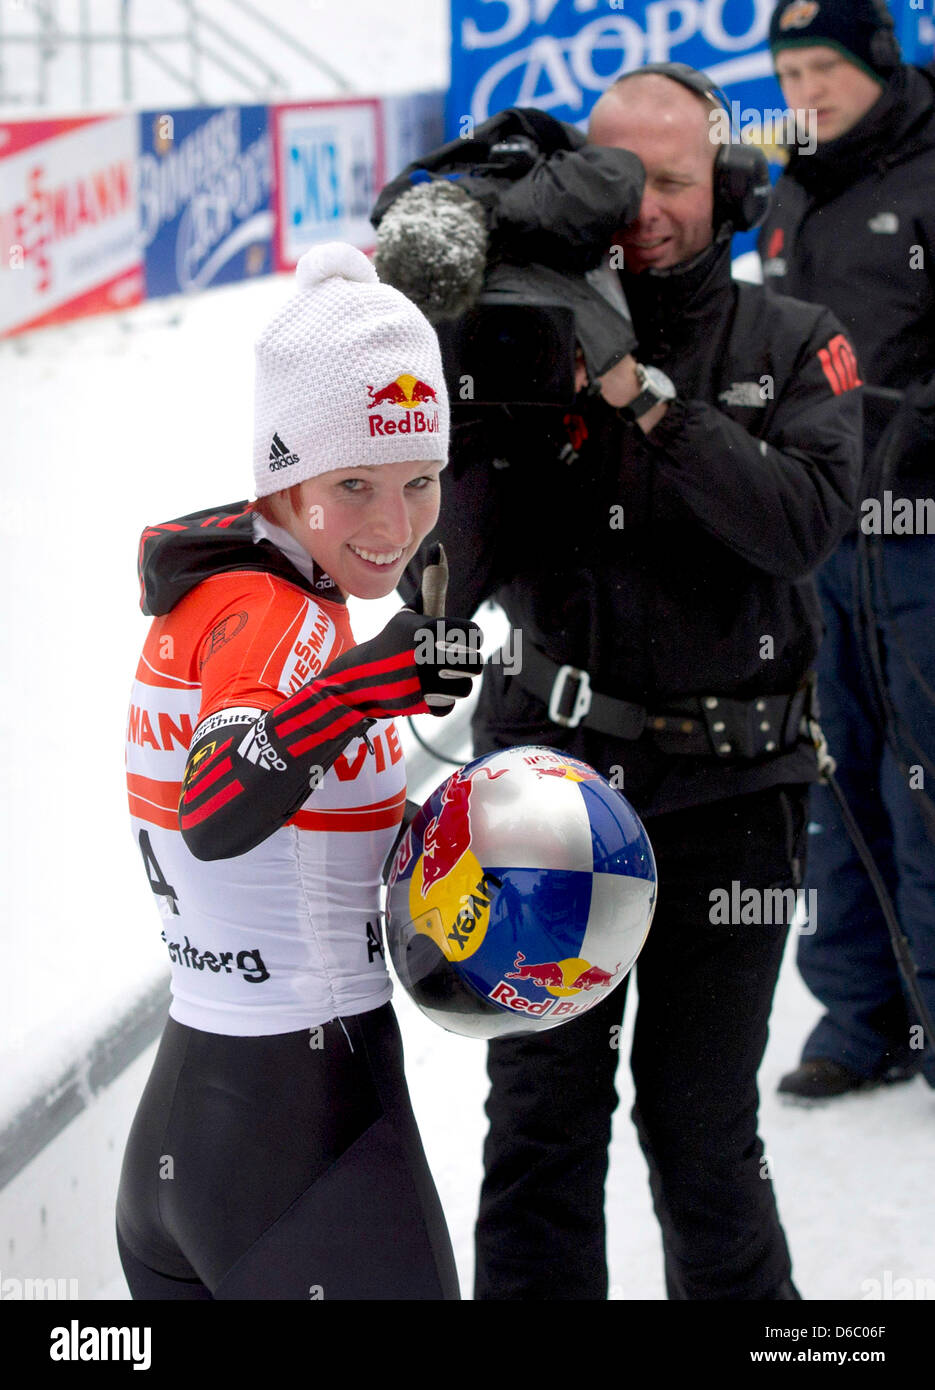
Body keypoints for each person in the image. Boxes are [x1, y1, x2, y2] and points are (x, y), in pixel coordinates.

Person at [399, 66, 863, 1300]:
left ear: (732, 187)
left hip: (732, 793)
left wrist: (643, 400)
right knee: (539, 1125)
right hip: (537, 795)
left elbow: (803, 524)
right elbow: (437, 583)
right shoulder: (514, 342)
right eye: (619, 183)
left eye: (672, 179)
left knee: (701, 1134)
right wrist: (462, 389)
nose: (644, 209)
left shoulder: (792, 338)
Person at [116, 241, 485, 1300]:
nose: (391, 524)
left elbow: (294, 826)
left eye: (419, 484)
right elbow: (218, 806)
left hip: (195, 1135)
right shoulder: (283, 620)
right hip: (305, 1143)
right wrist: (370, 680)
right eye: (353, 484)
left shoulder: (220, 590)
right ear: (283, 474)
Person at [761, 0, 935, 1100]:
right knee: (827, 776)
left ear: (880, 61)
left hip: (924, 534)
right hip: (821, 534)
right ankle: (856, 1014)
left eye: (821, 65)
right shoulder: (791, 184)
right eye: (784, 73)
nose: (802, 92)